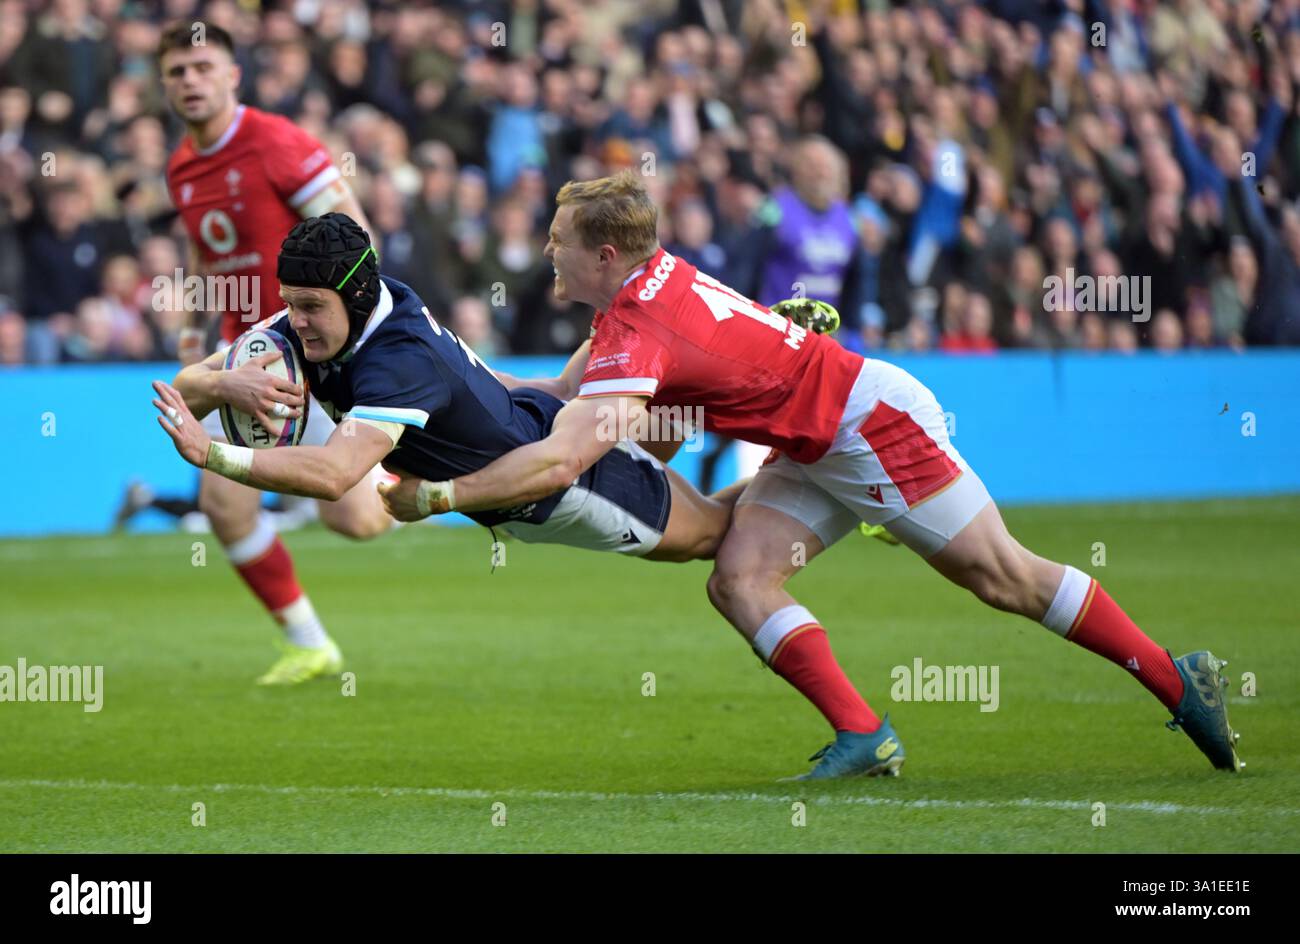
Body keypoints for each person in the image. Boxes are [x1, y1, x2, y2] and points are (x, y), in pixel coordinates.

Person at [379, 171, 1242, 780]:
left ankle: (1177, 675)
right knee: (739, 578)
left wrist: (446, 496)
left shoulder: (638, 330)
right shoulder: (638, 297)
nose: (546, 253)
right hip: (814, 440)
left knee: (1004, 577)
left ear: (605, 254)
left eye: (559, 243)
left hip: (869, 425)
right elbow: (565, 399)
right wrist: (464, 385)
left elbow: (571, 452)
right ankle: (864, 733)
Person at [154, 213, 752, 596]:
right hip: (529, 422)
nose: (297, 322)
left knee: (713, 539)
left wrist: (213, 454)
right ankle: (739, 361)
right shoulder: (332, 311)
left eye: (310, 306)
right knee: (667, 431)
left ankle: (811, 464)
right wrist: (225, 386)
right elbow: (188, 385)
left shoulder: (398, 361)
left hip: (548, 480)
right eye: (290, 303)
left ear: (355, 296)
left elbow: (335, 475)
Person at [157, 20, 391, 684]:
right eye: (178, 71)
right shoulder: (181, 166)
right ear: (165, 84)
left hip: (307, 347)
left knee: (357, 520)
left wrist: (346, 339)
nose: (191, 81)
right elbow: (207, 258)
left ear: (233, 75)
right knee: (225, 504)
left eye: (203, 67)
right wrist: (195, 337)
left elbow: (355, 237)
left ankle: (418, 479)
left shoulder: (276, 142)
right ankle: (310, 643)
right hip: (245, 354)